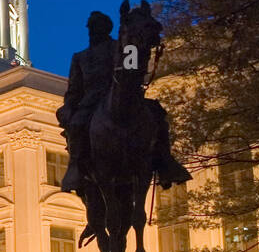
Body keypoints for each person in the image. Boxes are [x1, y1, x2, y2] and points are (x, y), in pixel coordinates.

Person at [57, 10, 190, 196]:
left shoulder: (121, 47)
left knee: (157, 114)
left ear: (106, 29)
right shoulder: (80, 57)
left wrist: (147, 53)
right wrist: (69, 107)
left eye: (96, 27)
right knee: (77, 125)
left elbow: (134, 70)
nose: (92, 32)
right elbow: (74, 89)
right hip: (91, 102)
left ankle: (166, 162)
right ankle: (75, 169)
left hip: (122, 95)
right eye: (91, 28)